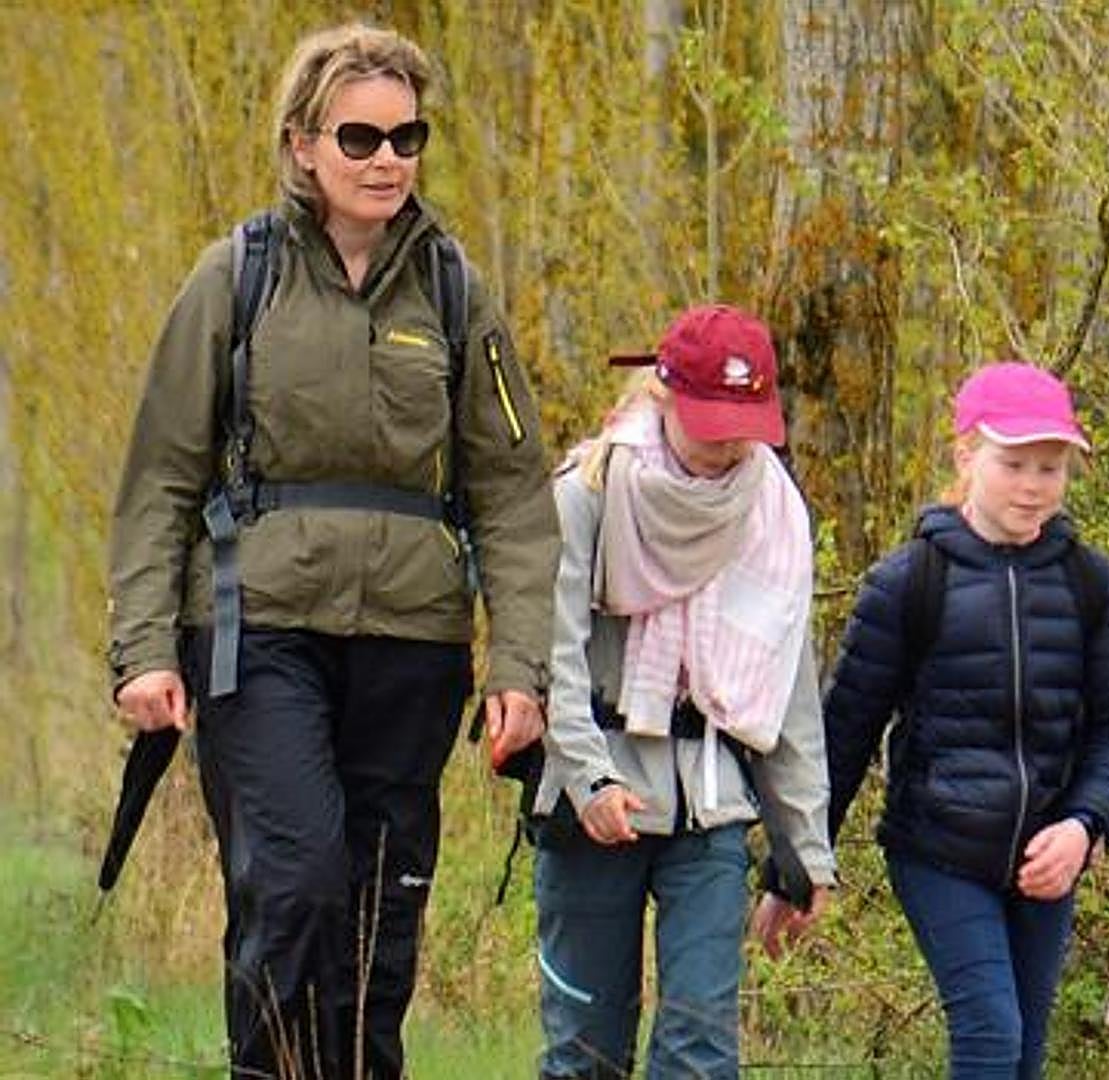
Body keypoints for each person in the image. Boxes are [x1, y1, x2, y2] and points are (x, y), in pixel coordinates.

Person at [106, 23, 558, 1079]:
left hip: (413, 645)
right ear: (303, 144)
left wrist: (519, 668)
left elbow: (512, 495)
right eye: (360, 137)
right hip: (257, 634)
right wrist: (144, 650)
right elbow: (160, 478)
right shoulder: (237, 276)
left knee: (379, 914)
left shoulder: (454, 290)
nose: (386, 159)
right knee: (297, 882)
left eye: (407, 137)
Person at [823, 361, 1109, 1079]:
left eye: (1051, 468)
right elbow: (844, 731)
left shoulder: (1089, 583)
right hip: (938, 850)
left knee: (1024, 1056)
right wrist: (799, 868)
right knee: (990, 1035)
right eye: (1014, 464)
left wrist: (1086, 825)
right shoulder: (907, 583)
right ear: (965, 456)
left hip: (1047, 859)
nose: (1033, 485)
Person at [531, 304, 836, 1080]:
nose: (728, 444)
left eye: (743, 425)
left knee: (701, 1047)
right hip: (593, 799)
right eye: (711, 424)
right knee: (585, 1051)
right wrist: (588, 780)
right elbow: (553, 654)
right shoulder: (588, 491)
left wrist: (807, 851)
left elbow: (787, 688)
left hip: (712, 803)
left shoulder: (773, 516)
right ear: (665, 396)